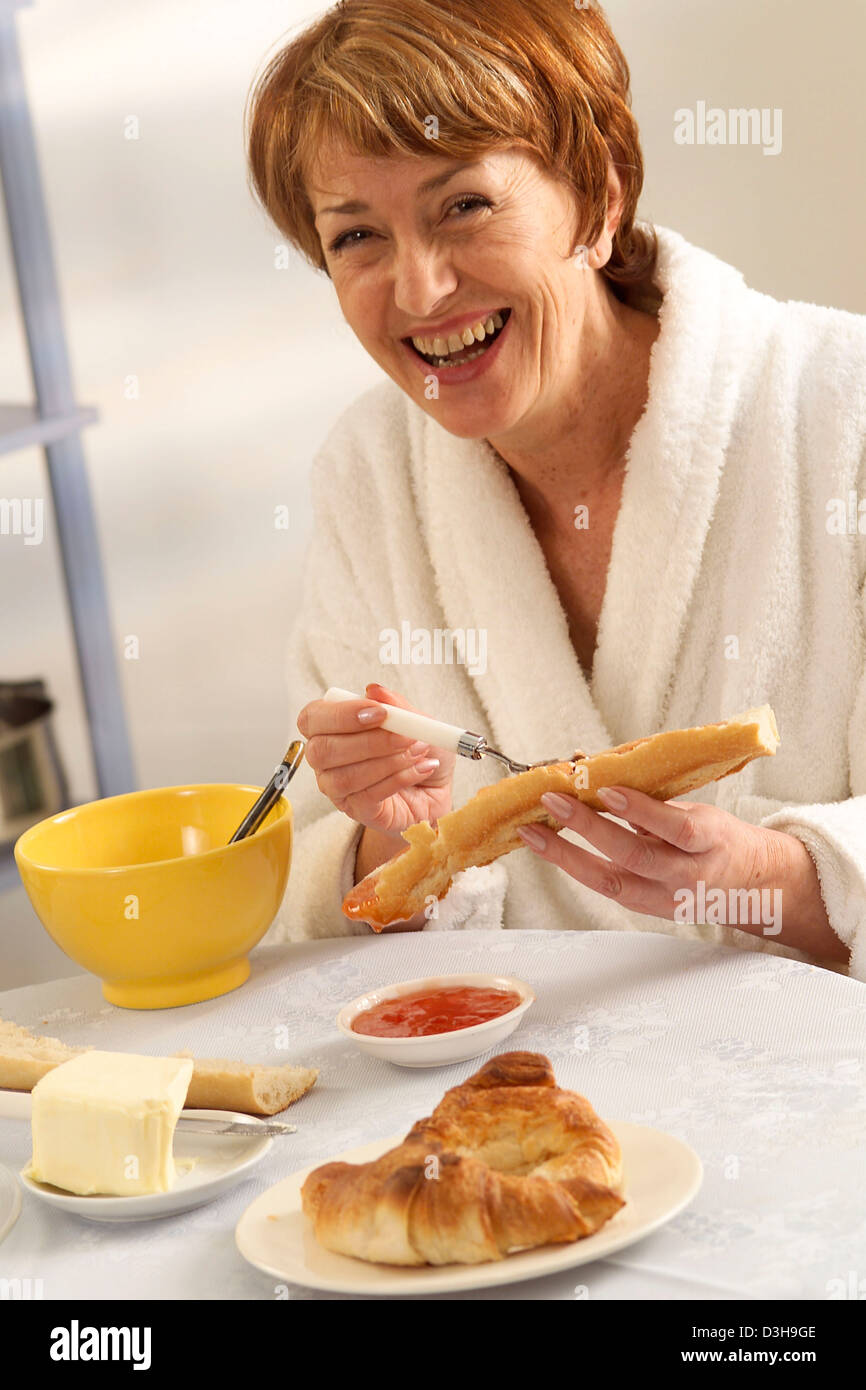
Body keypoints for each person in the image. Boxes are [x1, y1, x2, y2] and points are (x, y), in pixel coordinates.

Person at [245, 0, 866, 975]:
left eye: (463, 206)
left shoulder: (839, 411)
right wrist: (396, 839)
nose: (417, 291)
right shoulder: (370, 476)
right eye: (356, 236)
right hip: (513, 1104)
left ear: (597, 195)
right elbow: (331, 911)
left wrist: (766, 877)